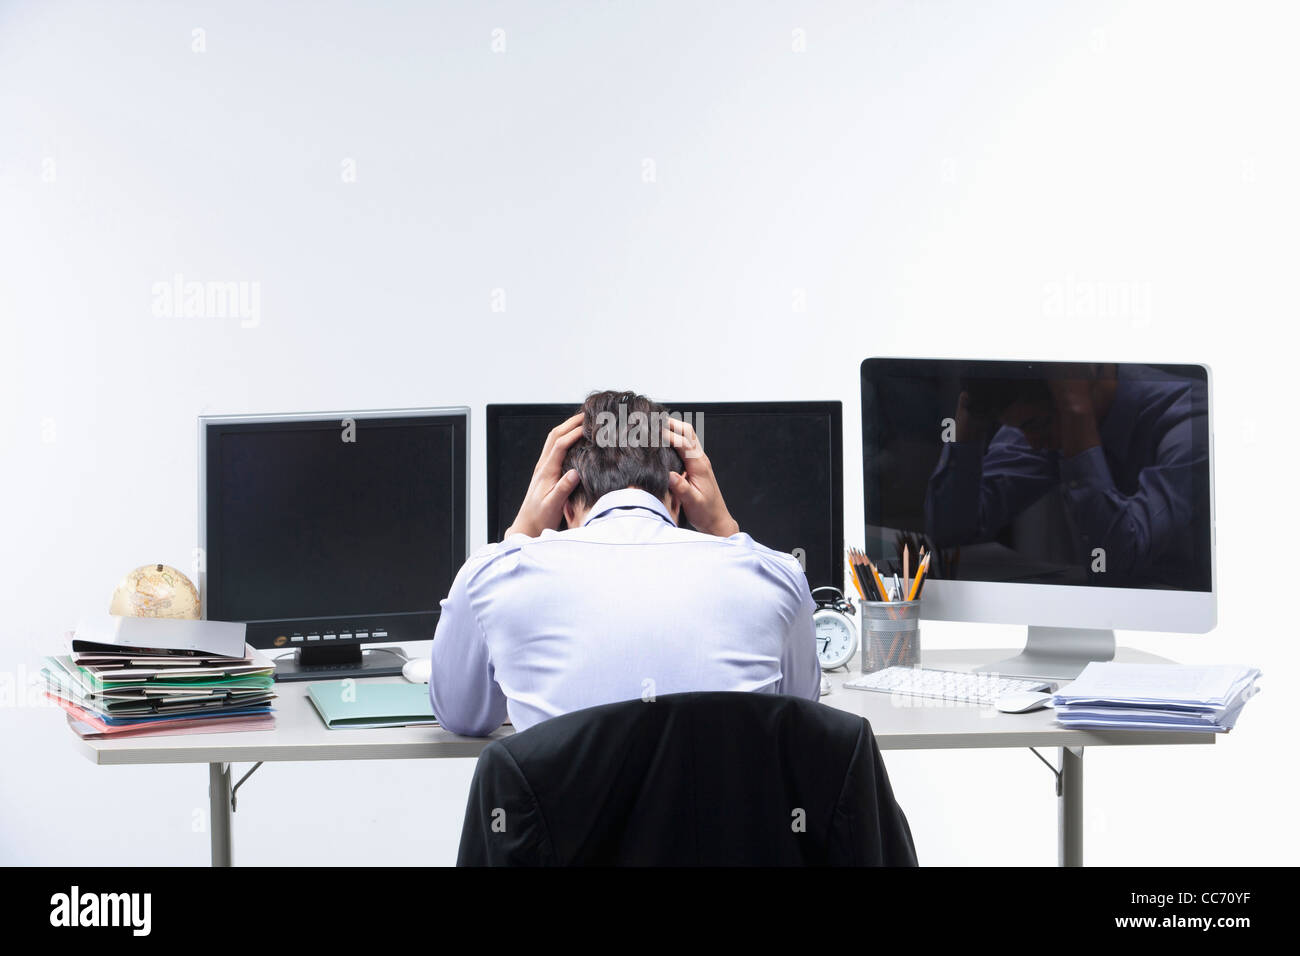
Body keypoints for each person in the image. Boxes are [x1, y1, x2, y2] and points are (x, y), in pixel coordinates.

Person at [429, 390, 820, 736]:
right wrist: (725, 529)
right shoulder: (778, 577)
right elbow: (801, 713)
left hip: (573, 821)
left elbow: (463, 717)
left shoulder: (492, 577)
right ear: (679, 499)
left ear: (564, 504)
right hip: (724, 821)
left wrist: (519, 534)